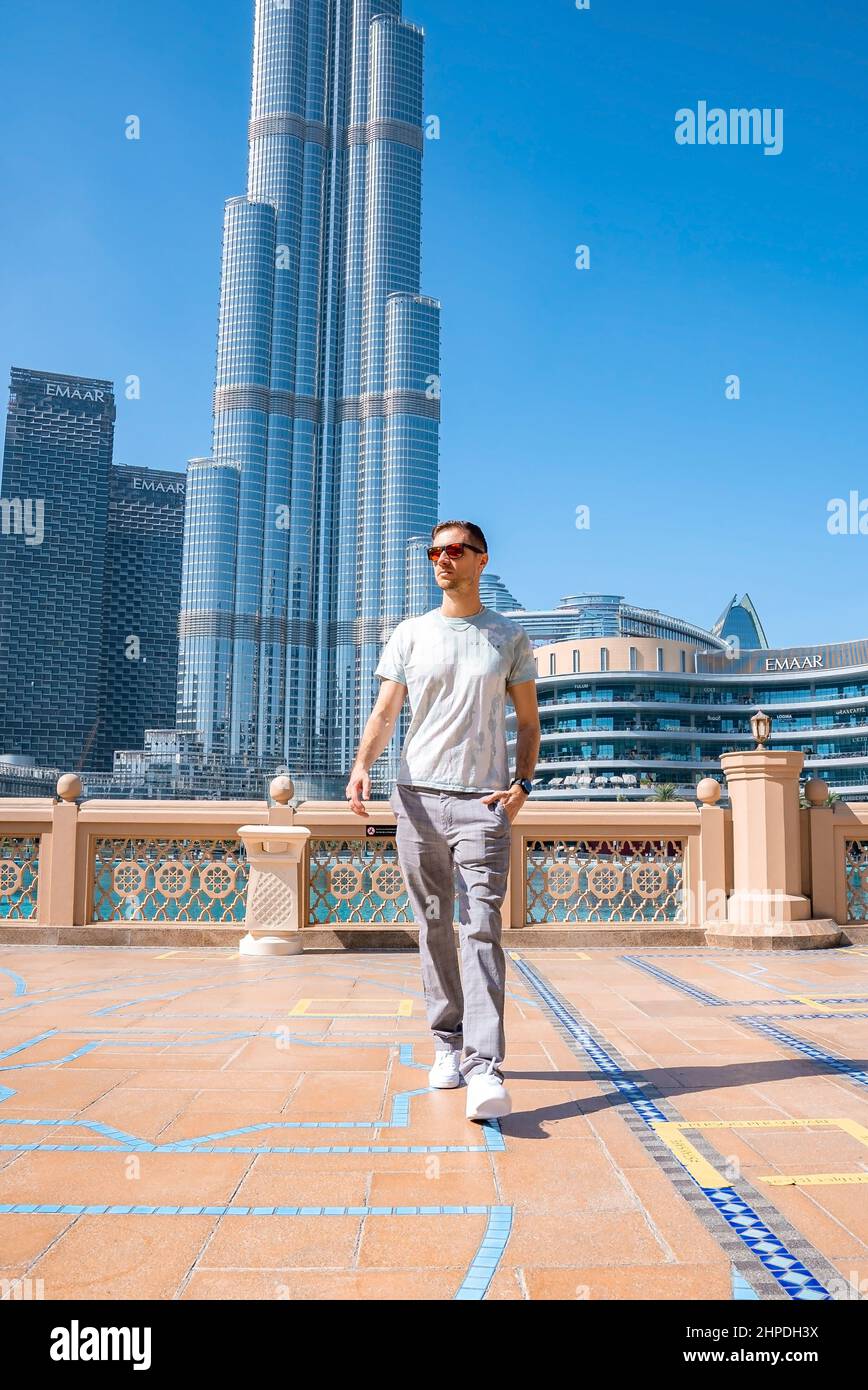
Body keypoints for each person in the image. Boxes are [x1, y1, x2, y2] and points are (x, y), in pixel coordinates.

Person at [344, 520, 541, 1121]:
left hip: (483, 804)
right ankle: (446, 1044)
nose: (443, 561)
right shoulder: (409, 634)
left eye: (455, 551)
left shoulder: (508, 639)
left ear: (482, 560)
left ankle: (485, 1067)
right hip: (417, 801)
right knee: (434, 927)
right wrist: (360, 768)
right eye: (435, 553)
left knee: (481, 928)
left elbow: (528, 724)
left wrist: (522, 785)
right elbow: (385, 711)